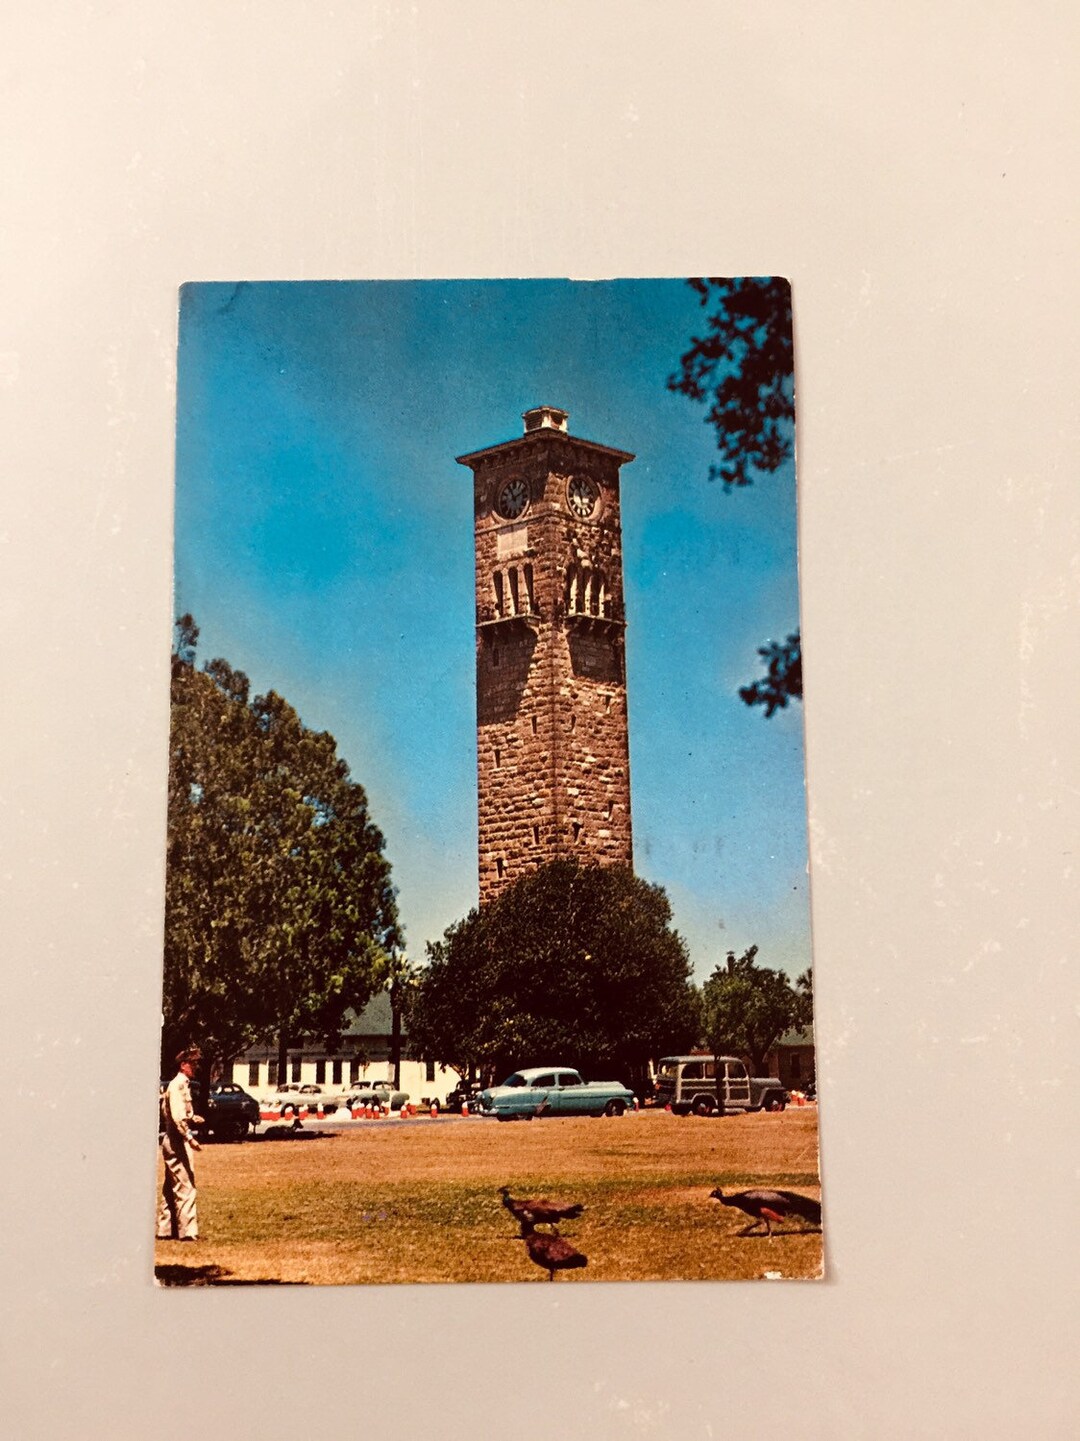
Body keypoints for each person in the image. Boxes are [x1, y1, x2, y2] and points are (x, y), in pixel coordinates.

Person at [156, 1046, 204, 1241]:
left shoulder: (181, 1085)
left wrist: (193, 1117)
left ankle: (165, 1228)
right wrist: (190, 1137)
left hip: (172, 1139)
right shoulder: (177, 1085)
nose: (196, 1067)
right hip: (176, 1141)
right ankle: (188, 1231)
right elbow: (177, 1117)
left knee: (171, 1186)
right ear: (184, 1065)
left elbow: (180, 1112)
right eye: (193, 1064)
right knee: (186, 1186)